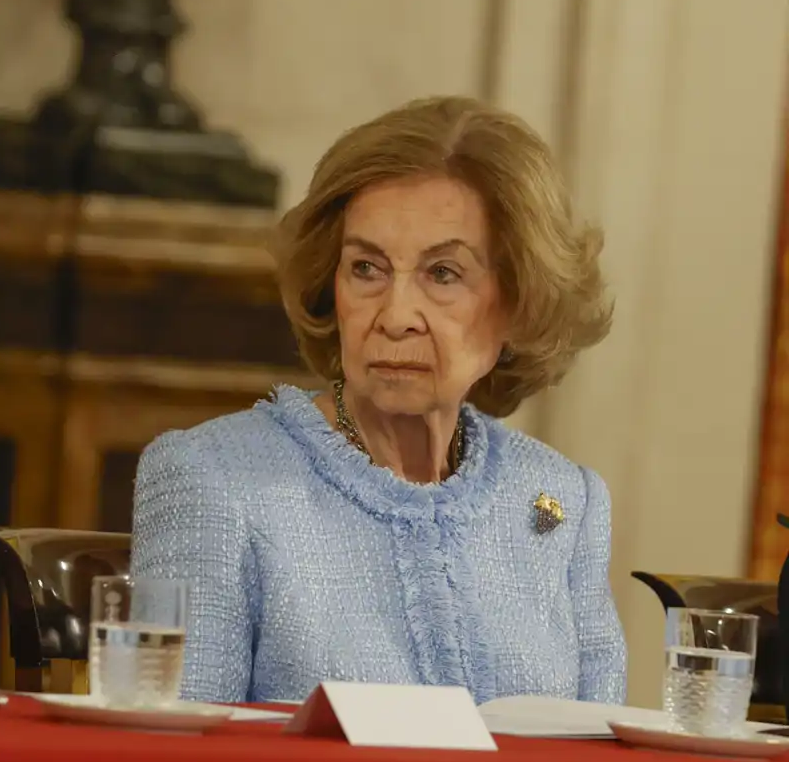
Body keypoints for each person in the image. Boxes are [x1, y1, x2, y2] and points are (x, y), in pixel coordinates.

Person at [131, 96, 627, 705]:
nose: (395, 317)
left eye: (443, 274)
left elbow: (598, 750)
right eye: (367, 268)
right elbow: (177, 750)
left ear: (520, 300)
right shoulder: (213, 479)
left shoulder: (562, 502)